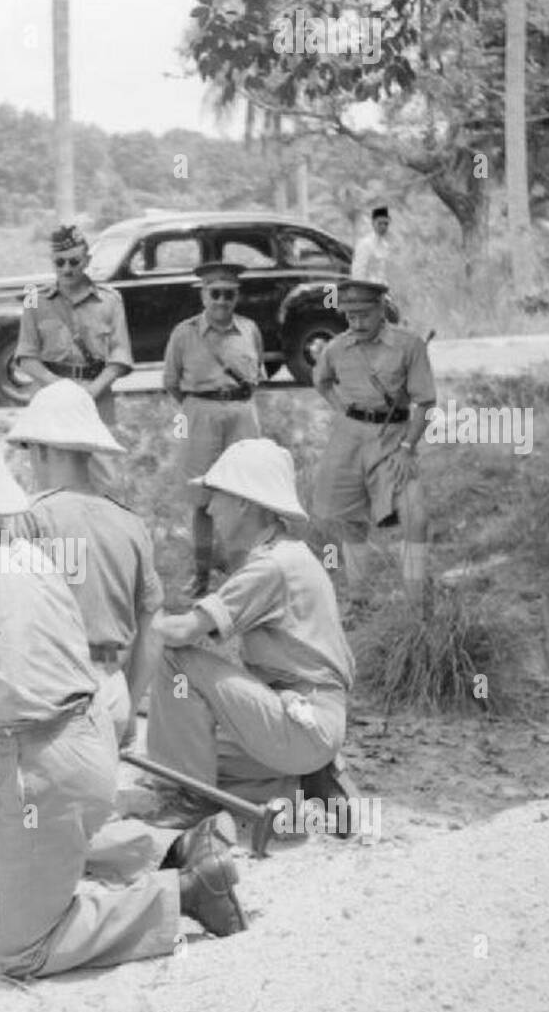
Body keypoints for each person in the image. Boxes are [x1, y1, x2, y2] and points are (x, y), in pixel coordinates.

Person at [0, 420, 245, 975]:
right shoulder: (30, 558)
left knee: (24, 951)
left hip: (38, 768)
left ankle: (181, 895)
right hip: (87, 743)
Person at [146, 439, 355, 831]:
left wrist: (140, 617)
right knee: (184, 758)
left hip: (304, 722)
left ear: (245, 502)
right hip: (309, 717)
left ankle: (193, 801)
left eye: (217, 497)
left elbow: (183, 634)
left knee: (175, 662)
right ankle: (308, 779)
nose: (208, 509)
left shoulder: (272, 567)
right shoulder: (289, 554)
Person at [4, 380, 164, 746]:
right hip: (111, 691)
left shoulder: (26, 519)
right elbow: (154, 623)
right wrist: (132, 700)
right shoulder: (132, 524)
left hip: (48, 695)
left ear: (42, 449)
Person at [310, 278, 435, 611]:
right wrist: (342, 410)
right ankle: (359, 601)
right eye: (350, 316)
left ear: (382, 309)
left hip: (393, 439)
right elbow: (321, 381)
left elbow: (424, 403)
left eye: (364, 314)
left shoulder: (409, 346)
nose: (357, 323)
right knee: (349, 521)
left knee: (415, 516)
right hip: (348, 439)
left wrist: (408, 447)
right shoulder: (336, 348)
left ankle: (415, 604)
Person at [162, 260, 264, 599]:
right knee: (201, 498)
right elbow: (172, 382)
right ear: (203, 295)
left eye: (229, 295)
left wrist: (234, 402)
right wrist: (198, 408)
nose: (222, 302)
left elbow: (257, 373)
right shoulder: (184, 333)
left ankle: (243, 571)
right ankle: (202, 574)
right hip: (200, 412)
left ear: (237, 297)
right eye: (215, 294)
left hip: (241, 412)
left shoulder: (249, 329)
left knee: (245, 495)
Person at [15, 223, 133, 427]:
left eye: (74, 261)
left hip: (96, 394)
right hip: (50, 393)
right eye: (59, 262)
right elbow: (26, 356)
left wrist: (93, 391)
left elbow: (120, 356)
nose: (66, 269)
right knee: (53, 456)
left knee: (98, 457)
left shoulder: (110, 300)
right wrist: (58, 387)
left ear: (87, 261)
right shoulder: (34, 299)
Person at [351, 206, 391, 285]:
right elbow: (358, 273)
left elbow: (382, 272)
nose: (383, 227)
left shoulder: (385, 246)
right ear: (373, 223)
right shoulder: (365, 244)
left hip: (379, 290)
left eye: (386, 224)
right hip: (366, 289)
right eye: (380, 223)